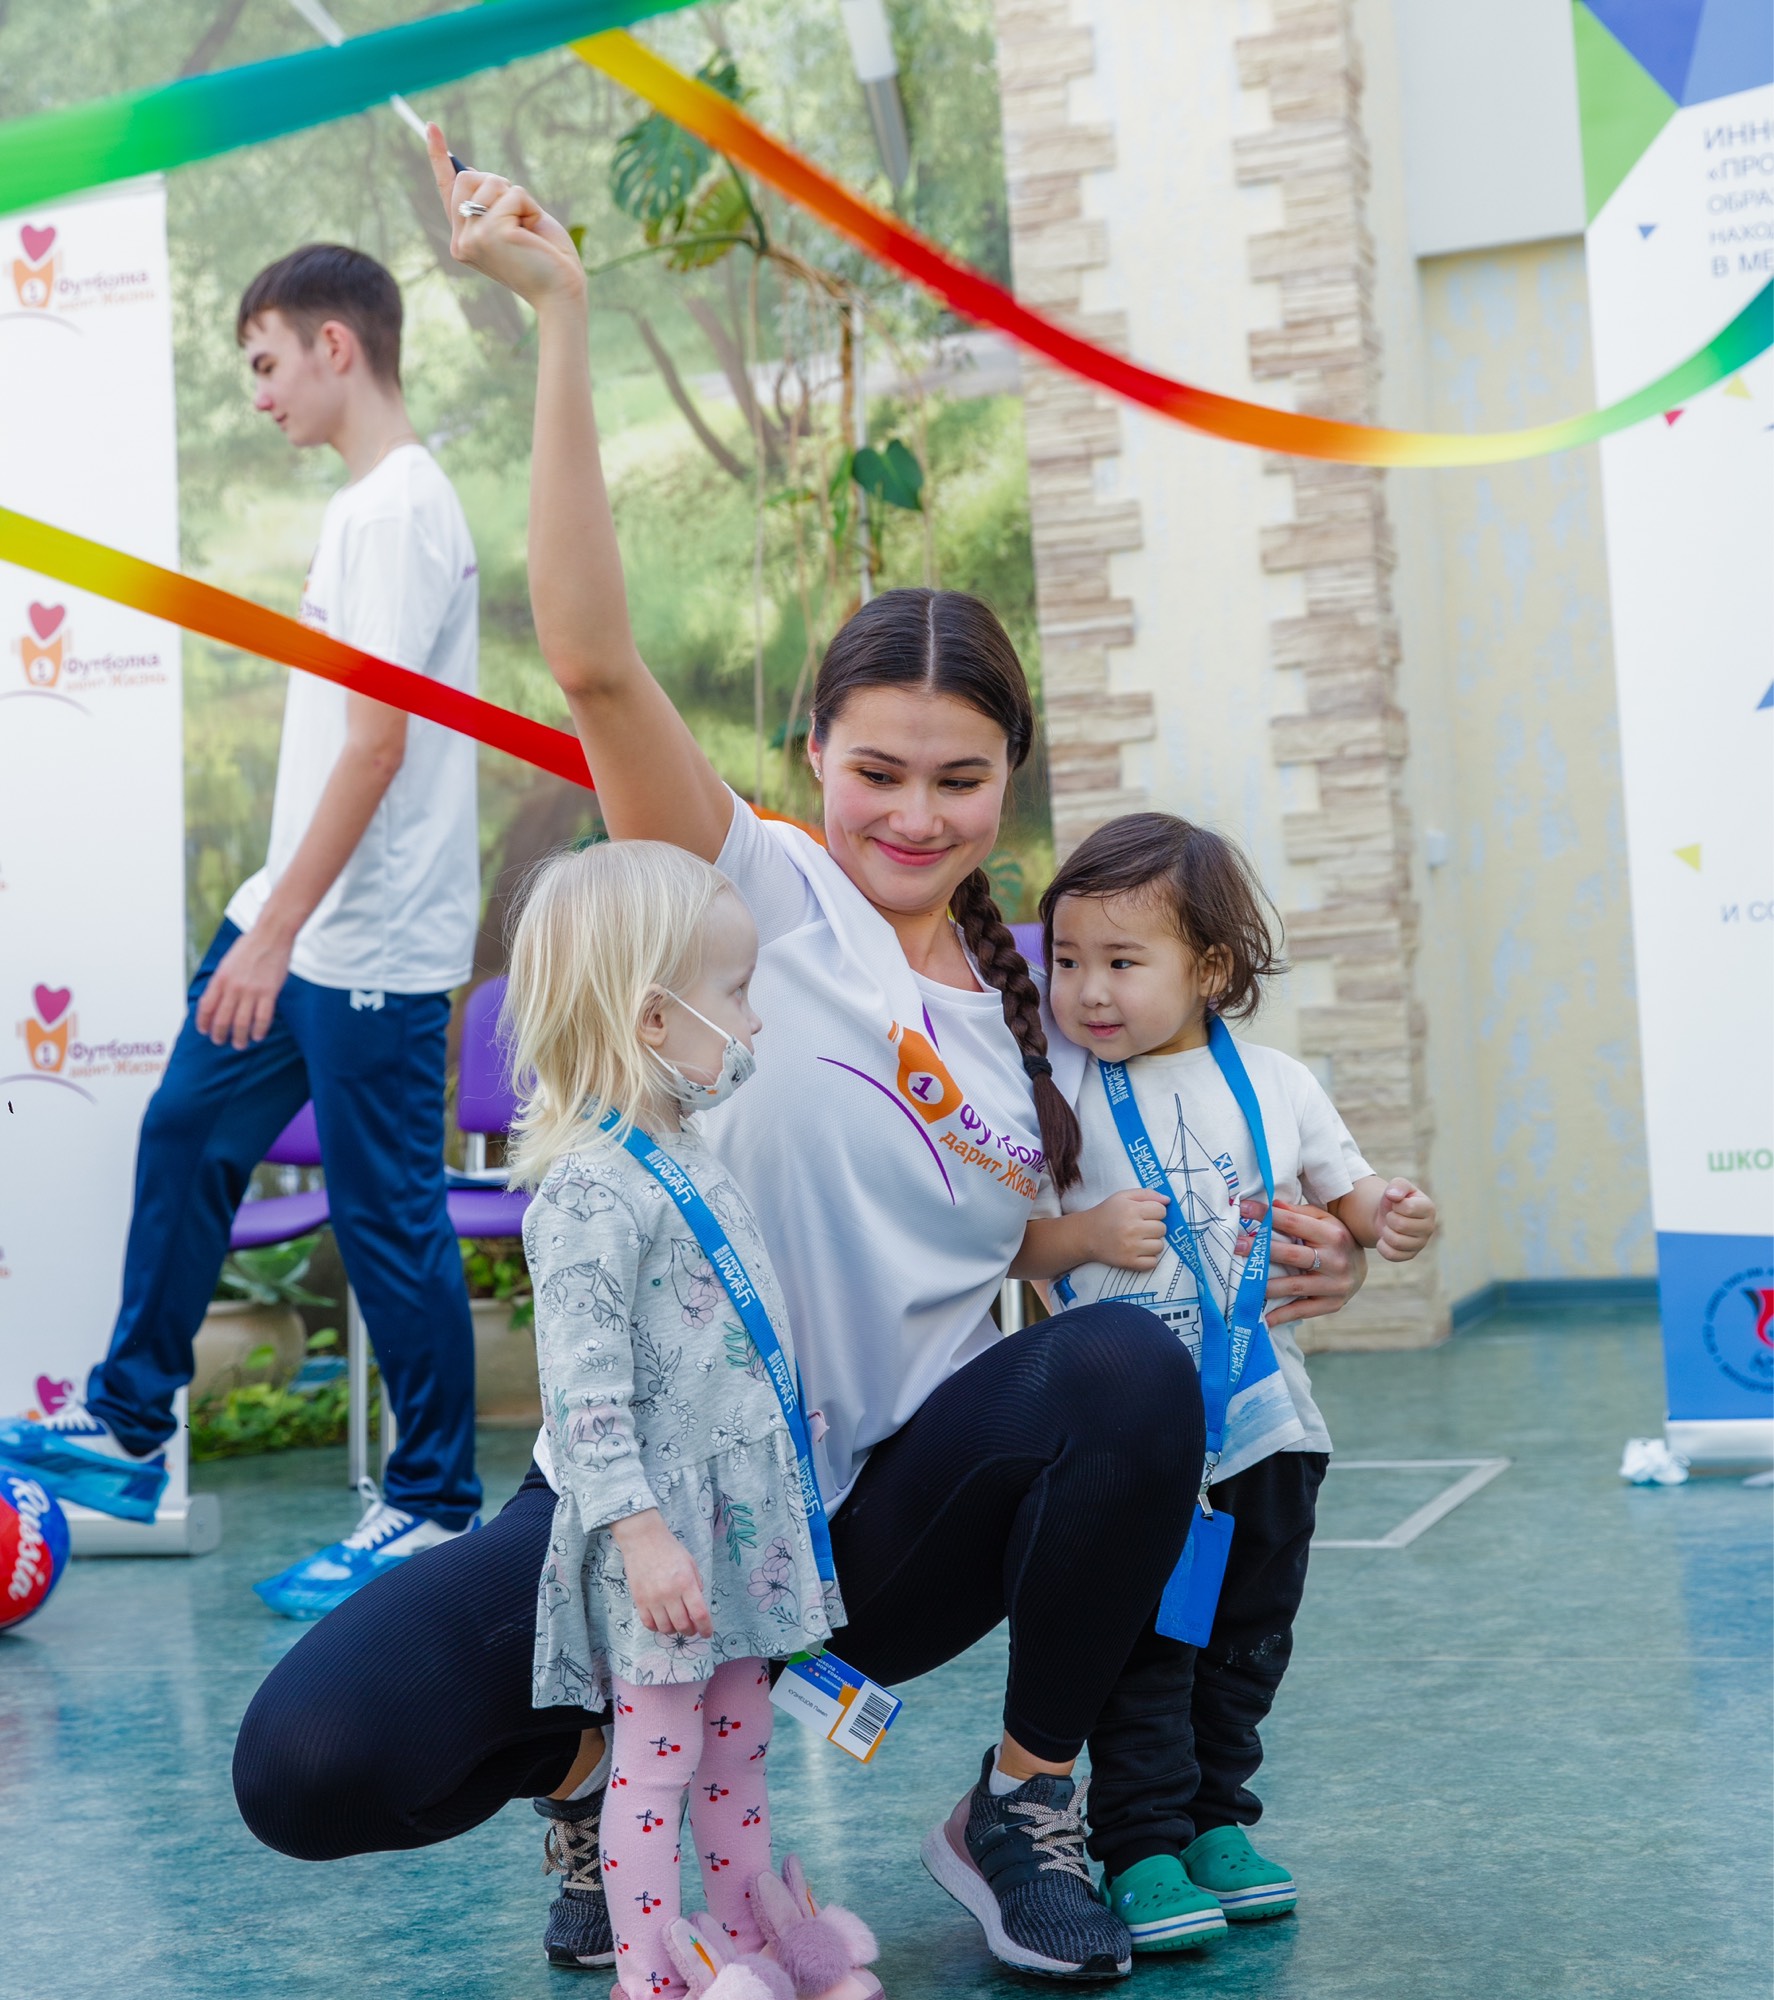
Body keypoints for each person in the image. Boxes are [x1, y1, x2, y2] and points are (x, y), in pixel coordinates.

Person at [230, 138, 1369, 1984]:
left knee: (1124, 1385)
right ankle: (613, 1775)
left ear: (1009, 783)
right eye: (874, 770)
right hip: (634, 1516)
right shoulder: (745, 891)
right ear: (811, 756)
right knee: (304, 1761)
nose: (911, 813)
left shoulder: (1042, 1032)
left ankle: (1019, 1799)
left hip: (857, 1540)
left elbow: (1127, 1256)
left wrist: (1310, 1249)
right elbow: (591, 660)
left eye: (957, 778)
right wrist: (564, 315)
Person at [0, 245, 485, 1611]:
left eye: (265, 362)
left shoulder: (394, 512)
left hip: (365, 941)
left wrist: (274, 938)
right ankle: (129, 1422)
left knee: (389, 1220)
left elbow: (377, 748)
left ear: (338, 345)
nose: (259, 394)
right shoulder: (364, 510)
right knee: (188, 1128)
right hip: (302, 922)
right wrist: (268, 923)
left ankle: (436, 1509)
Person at [1015, 812, 1438, 1951]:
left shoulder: (1279, 1079)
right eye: (1066, 960)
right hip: (1132, 1439)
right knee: (1145, 1644)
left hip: (1264, 1424)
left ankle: (1213, 1819)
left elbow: (1351, 1200)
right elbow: (1004, 1244)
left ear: (1208, 968)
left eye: (1121, 961)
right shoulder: (1050, 1082)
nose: (1088, 991)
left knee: (1248, 1632)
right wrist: (1081, 1231)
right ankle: (1139, 1839)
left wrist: (1391, 1215)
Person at [507, 838, 850, 1997]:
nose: (752, 1021)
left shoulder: (688, 1153)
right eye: (736, 994)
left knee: (741, 1742)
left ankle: (748, 1926)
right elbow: (583, 1394)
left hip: (737, 1514)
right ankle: (653, 1961)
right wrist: (640, 1533)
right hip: (665, 1532)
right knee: (657, 1754)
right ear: (655, 1020)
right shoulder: (591, 1189)